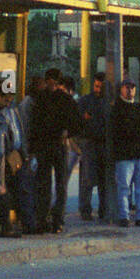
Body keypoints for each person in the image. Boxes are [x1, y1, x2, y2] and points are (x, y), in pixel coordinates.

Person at [29, 68, 87, 233]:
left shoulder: (42, 99)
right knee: (56, 184)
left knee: (49, 183)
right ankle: (54, 220)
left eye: (53, 81)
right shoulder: (65, 99)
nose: (52, 84)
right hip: (55, 145)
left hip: (48, 145)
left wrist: (33, 147)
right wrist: (68, 132)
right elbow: (78, 122)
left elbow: (35, 125)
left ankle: (47, 219)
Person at [110, 78, 140, 227]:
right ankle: (124, 216)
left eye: (132, 88)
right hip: (125, 154)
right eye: (127, 87)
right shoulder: (116, 108)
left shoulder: (139, 107)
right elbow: (121, 130)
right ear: (121, 90)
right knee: (124, 187)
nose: (130, 90)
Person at [77, 72, 114, 222]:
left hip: (103, 144)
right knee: (88, 179)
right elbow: (78, 121)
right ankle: (86, 210)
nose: (98, 89)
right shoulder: (86, 101)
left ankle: (102, 209)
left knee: (102, 181)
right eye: (96, 86)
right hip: (90, 143)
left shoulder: (107, 102)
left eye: (101, 87)